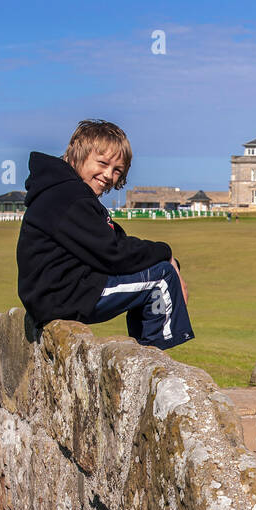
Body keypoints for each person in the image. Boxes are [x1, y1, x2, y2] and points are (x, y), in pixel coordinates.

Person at [16, 119, 192, 350]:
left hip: (59, 292)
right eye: (102, 163)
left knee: (157, 269)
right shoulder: (69, 196)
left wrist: (165, 257)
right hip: (65, 295)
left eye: (117, 170)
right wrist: (166, 254)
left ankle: (145, 352)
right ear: (78, 152)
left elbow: (116, 241)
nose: (108, 175)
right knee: (161, 278)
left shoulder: (64, 190)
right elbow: (114, 253)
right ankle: (155, 361)